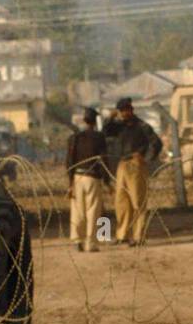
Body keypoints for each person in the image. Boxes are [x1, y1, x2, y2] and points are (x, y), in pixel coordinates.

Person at [103, 97, 161, 246]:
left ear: (131, 110)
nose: (123, 114)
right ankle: (122, 235)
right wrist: (110, 117)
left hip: (136, 164)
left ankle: (138, 236)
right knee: (121, 201)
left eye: (125, 111)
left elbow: (156, 143)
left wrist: (146, 158)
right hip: (122, 164)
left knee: (138, 202)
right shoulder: (119, 126)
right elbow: (105, 132)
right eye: (121, 111)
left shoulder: (142, 126)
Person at [66, 107, 111, 253]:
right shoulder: (99, 137)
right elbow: (103, 159)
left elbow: (69, 161)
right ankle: (91, 242)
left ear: (84, 121)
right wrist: (107, 181)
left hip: (77, 176)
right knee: (93, 210)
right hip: (92, 177)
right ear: (94, 122)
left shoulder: (75, 138)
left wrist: (70, 182)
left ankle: (77, 240)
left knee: (77, 210)